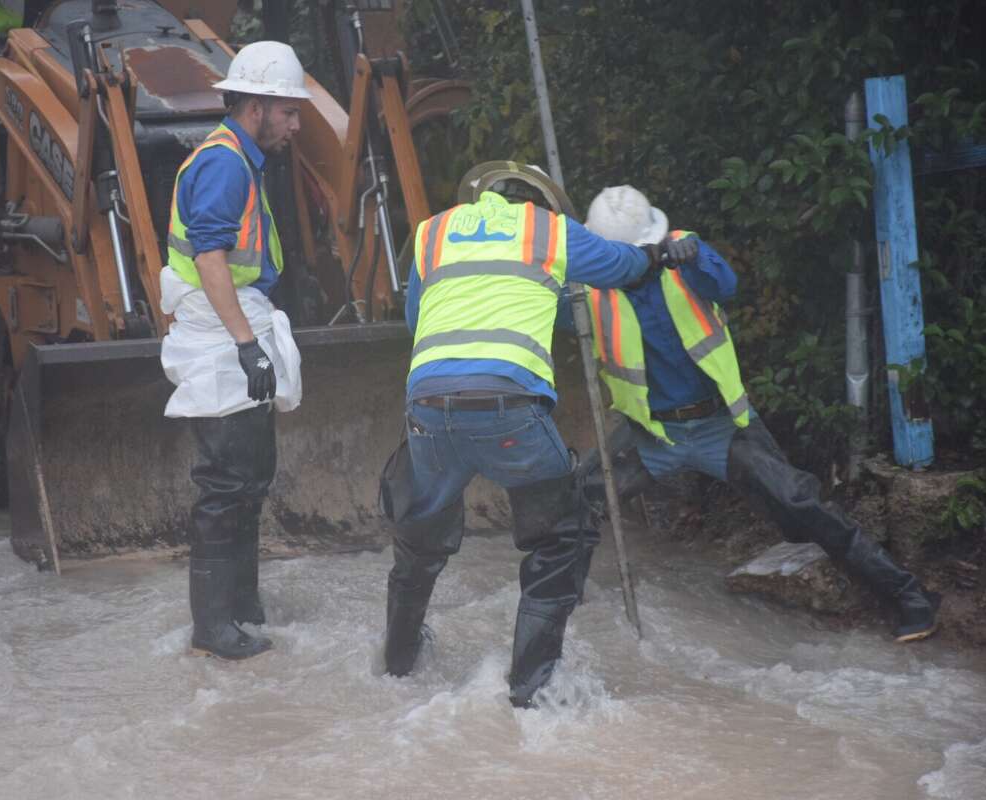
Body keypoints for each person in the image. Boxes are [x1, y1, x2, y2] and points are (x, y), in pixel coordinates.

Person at [581, 184, 940, 643]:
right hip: (651, 434)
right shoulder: (588, 287)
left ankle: (909, 595)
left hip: (721, 425)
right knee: (576, 501)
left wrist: (693, 257)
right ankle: (563, 611)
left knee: (799, 504)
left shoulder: (683, 257)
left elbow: (725, 285)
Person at [382, 162, 683, 708]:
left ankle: (397, 664)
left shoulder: (432, 232)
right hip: (509, 410)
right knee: (559, 535)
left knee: (419, 538)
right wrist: (656, 254)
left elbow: (414, 319)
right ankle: (531, 692)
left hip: (427, 406)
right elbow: (621, 266)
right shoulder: (547, 231)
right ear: (540, 200)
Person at [159, 41, 310, 660]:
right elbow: (210, 256)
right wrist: (248, 347)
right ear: (255, 105)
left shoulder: (239, 159)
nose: (296, 124)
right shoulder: (223, 164)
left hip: (230, 323)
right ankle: (213, 628)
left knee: (248, 479)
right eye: (288, 111)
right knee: (225, 483)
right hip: (222, 331)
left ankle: (241, 611)